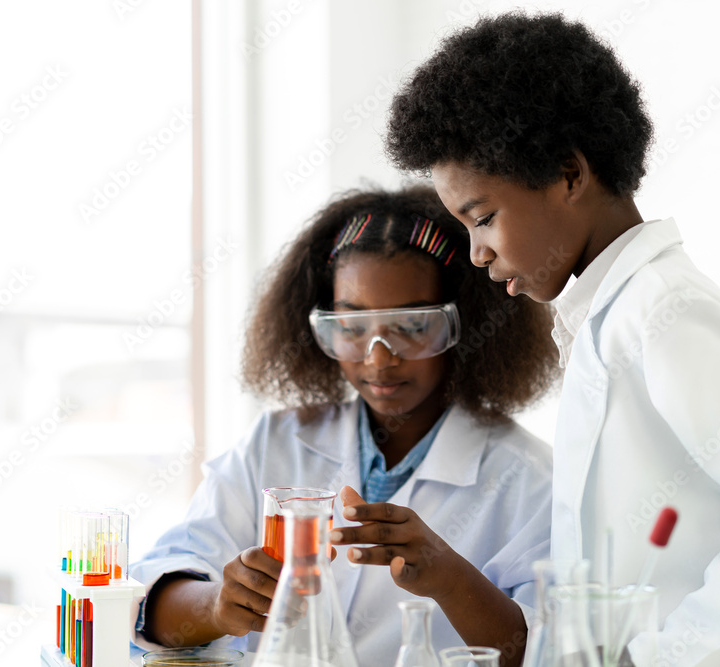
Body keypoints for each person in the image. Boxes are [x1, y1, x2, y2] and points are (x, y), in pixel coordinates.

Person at [384, 13, 720, 665]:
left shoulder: (664, 309)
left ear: (570, 175)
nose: (478, 252)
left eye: (484, 217)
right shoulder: (606, 315)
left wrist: (663, 654)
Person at [130, 185, 560, 666]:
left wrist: (450, 578)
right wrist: (218, 606)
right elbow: (149, 601)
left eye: (411, 326)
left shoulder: (530, 477)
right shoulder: (275, 443)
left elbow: (555, 653)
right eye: (352, 328)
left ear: (465, 323)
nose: (379, 358)